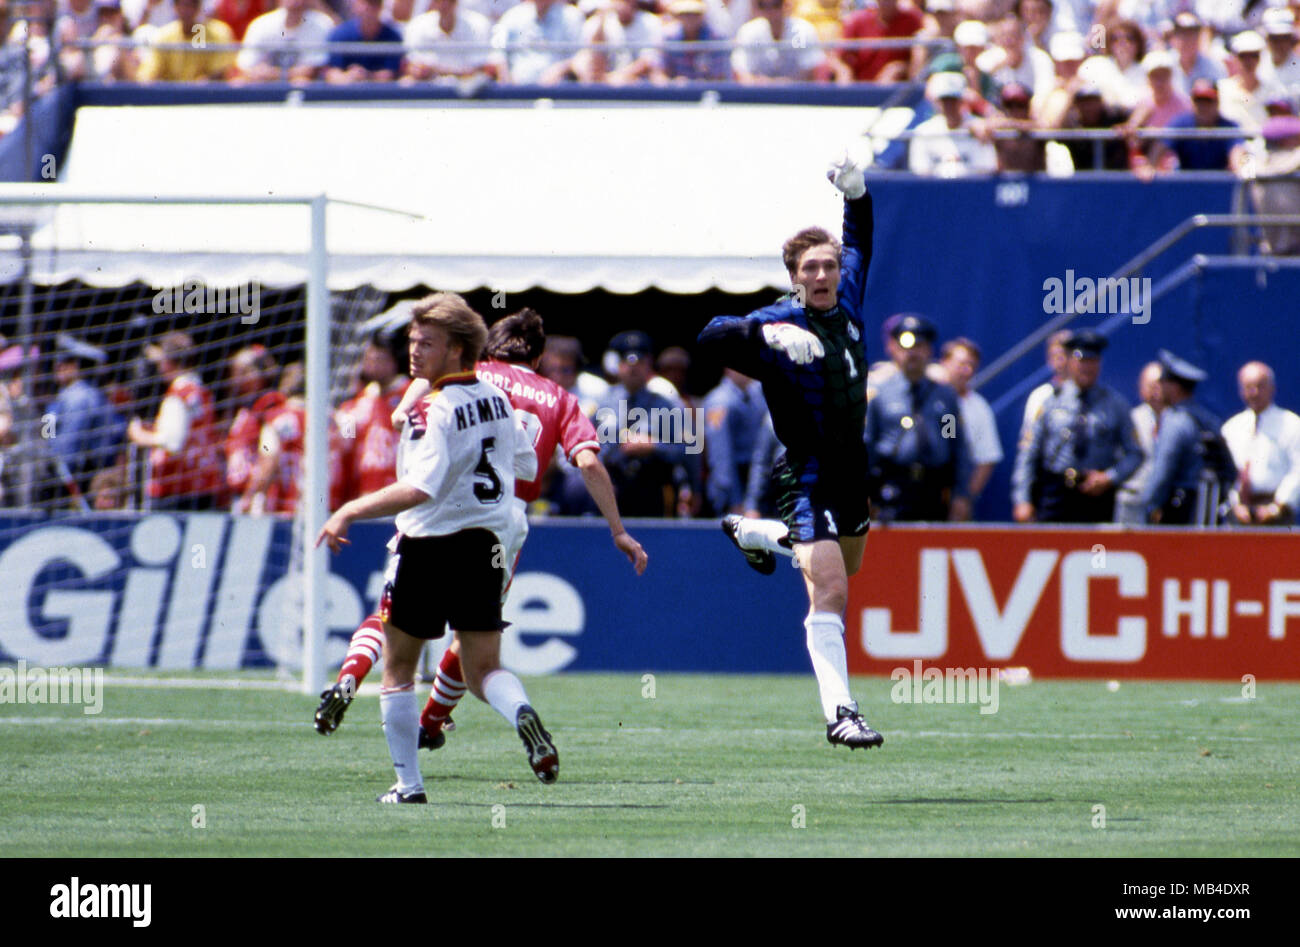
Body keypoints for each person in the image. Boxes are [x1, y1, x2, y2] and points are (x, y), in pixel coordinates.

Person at [317, 307, 647, 750]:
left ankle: (350, 679)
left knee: (394, 612)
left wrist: (402, 409)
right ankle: (432, 723)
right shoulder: (557, 395)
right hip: (503, 520)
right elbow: (587, 460)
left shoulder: (476, 371)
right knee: (474, 637)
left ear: (490, 346)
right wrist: (618, 530)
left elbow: (426, 377)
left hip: (444, 497)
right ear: (537, 357)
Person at [315, 293, 555, 801]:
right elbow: (528, 467)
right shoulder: (498, 400)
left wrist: (349, 509)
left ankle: (409, 784)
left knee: (399, 668)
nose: (415, 351)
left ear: (456, 349)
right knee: (483, 668)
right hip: (486, 547)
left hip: (428, 545)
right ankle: (522, 713)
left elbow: (420, 488)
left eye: (427, 343)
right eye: (412, 341)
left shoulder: (433, 409)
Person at [699, 150, 884, 750]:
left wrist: (857, 195)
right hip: (803, 469)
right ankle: (841, 713)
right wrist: (765, 333)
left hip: (852, 466)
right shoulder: (778, 321)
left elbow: (860, 240)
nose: (825, 275)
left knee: (842, 567)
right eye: (812, 268)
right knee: (830, 588)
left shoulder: (847, 300)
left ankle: (755, 535)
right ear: (795, 276)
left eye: (828, 265)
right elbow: (708, 338)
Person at [1011, 330, 1141, 523]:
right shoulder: (1050, 402)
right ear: (1070, 361)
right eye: (1081, 360)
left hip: (1096, 496)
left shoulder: (1115, 404)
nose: (1087, 367)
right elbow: (1029, 453)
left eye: (1092, 361)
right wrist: (1022, 499)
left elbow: (1135, 453)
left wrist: (1109, 478)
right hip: (1055, 493)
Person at [866, 314, 972, 522]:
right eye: (906, 346)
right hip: (892, 488)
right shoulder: (880, 395)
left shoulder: (944, 397)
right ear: (893, 349)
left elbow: (954, 445)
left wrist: (961, 495)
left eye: (919, 346)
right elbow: (867, 447)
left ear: (930, 350)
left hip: (933, 491)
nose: (912, 353)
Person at [126, 332, 224, 511]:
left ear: (167, 362)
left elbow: (172, 442)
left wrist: (139, 435)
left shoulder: (177, 396)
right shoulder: (201, 391)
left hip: (176, 489)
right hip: (202, 483)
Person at [1139, 349, 1237, 526]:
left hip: (1181, 512)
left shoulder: (1175, 420)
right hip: (1208, 511)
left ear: (1174, 387)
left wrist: (1148, 504)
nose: (1159, 387)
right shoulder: (1208, 420)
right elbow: (1230, 471)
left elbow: (1163, 471)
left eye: (1163, 382)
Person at [594, 331, 687, 517]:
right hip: (613, 488)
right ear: (619, 366)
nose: (632, 370)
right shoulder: (603, 403)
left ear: (649, 366)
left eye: (639, 365)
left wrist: (652, 446)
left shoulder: (665, 405)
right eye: (628, 365)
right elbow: (592, 449)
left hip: (652, 488)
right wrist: (618, 446)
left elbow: (683, 450)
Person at [1221, 361, 1300, 525]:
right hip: (1239, 514)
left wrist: (1278, 506)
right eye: (1248, 387)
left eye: (1260, 386)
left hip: (1276, 513)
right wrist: (1235, 505)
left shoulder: (1292, 425)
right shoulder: (1231, 428)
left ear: (1272, 388)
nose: (1254, 393)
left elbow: (1297, 470)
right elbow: (1226, 472)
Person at [47, 334, 124, 499]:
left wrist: (52, 469)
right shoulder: (64, 395)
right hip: (65, 474)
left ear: (75, 367)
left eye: (64, 363)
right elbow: (48, 430)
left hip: (76, 480)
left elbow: (68, 449)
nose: (57, 366)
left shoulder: (80, 397)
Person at [939, 337, 1001, 515]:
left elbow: (986, 458)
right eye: (961, 364)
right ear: (945, 362)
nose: (966, 371)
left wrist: (964, 497)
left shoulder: (978, 407)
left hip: (955, 493)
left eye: (972, 366)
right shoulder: (925, 394)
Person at [224, 344, 284, 511]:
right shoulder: (244, 408)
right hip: (238, 492)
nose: (237, 378)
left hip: (254, 496)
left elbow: (269, 455)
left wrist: (250, 496)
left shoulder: (269, 404)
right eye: (235, 371)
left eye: (244, 371)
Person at [908, 70, 998, 176]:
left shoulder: (980, 129)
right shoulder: (923, 132)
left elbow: (985, 170)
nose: (949, 106)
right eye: (945, 101)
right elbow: (921, 172)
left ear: (962, 101)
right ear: (938, 102)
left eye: (953, 100)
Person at [702, 368, 766, 516]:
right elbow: (721, 456)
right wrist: (734, 502)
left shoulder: (755, 396)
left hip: (753, 485)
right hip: (732, 489)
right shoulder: (719, 402)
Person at [1155, 79, 1249, 172]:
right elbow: (1160, 145)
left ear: (1217, 101)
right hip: (1186, 184)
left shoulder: (1229, 126)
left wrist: (1239, 169)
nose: (1203, 106)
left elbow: (1237, 151)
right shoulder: (1181, 123)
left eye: (1208, 101)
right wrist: (1150, 167)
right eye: (1198, 101)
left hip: (1217, 184)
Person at [135, 0, 239, 81]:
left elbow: (223, 70)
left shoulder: (218, 33)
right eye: (183, 5)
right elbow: (149, 74)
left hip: (207, 99)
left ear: (198, 8)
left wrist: (203, 84)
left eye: (191, 5)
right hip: (172, 99)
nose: (187, 10)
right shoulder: (164, 36)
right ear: (175, 7)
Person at [730, 0, 830, 84]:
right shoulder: (748, 31)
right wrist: (767, 84)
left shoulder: (803, 31)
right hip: (758, 99)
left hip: (798, 99)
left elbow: (810, 74)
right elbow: (742, 74)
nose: (771, 11)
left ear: (786, 5)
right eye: (763, 5)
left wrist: (785, 84)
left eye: (776, 4)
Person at [489, 0, 585, 84]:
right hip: (517, 92)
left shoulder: (572, 16)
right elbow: (497, 53)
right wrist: (507, 82)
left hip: (558, 92)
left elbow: (581, 55)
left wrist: (560, 69)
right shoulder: (512, 16)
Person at [237, 0, 336, 81]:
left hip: (301, 86)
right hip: (263, 84)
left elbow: (311, 70)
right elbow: (245, 65)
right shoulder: (261, 24)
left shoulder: (322, 23)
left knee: (301, 81)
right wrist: (258, 72)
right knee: (239, 82)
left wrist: (274, 74)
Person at [1115, 360, 1163, 525]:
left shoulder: (1178, 421)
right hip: (1133, 500)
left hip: (1164, 503)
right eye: (1151, 387)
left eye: (1159, 386)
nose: (1156, 393)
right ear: (1141, 390)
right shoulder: (1131, 420)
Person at [402, 0, 494, 79]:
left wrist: (435, 70)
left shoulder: (479, 25)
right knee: (407, 82)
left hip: (470, 92)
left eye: (450, 0)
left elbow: (480, 69)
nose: (444, 4)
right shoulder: (417, 25)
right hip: (429, 88)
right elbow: (415, 67)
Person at [839, 0, 923, 83]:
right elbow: (836, 57)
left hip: (898, 92)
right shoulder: (858, 20)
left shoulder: (913, 21)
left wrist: (901, 68)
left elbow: (923, 59)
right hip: (860, 89)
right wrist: (843, 70)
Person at [324, 0, 404, 83]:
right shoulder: (340, 34)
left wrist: (367, 76)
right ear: (355, 5)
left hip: (380, 94)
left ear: (381, 7)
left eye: (374, 4)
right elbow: (331, 73)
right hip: (346, 93)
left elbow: (390, 75)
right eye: (364, 3)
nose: (368, 8)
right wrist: (349, 76)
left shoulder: (392, 37)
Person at [660, 0, 730, 81]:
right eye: (685, 14)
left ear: (702, 15)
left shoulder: (716, 38)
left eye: (695, 14)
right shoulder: (669, 38)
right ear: (678, 16)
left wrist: (701, 84)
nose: (690, 18)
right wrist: (675, 82)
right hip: (676, 92)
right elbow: (660, 73)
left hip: (709, 90)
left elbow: (720, 76)